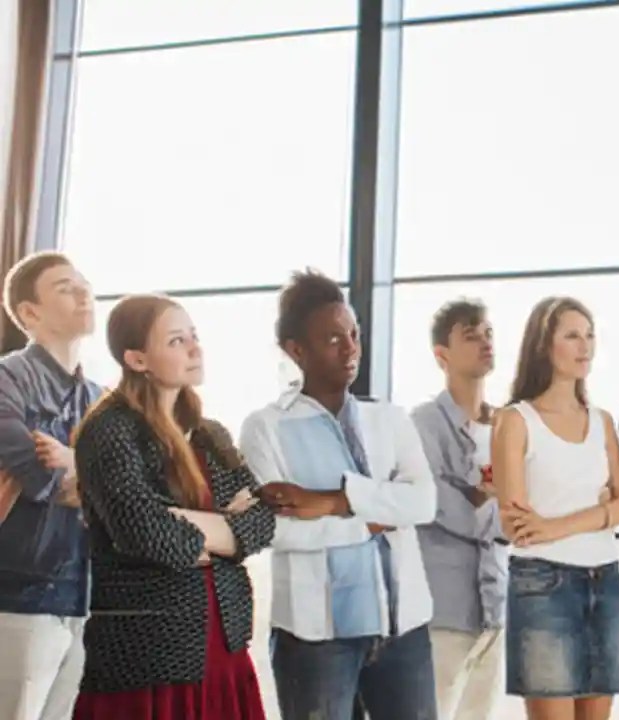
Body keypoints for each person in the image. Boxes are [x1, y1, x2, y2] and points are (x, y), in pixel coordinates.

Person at [238, 269, 439, 720]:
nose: (350, 349)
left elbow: (424, 503)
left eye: (354, 334)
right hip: (316, 639)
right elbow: (276, 531)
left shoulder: (390, 419)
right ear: (296, 350)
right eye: (332, 339)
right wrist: (373, 519)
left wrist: (333, 501)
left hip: (402, 630)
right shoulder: (265, 427)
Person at [70, 294, 275, 718]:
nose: (195, 349)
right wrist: (223, 527)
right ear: (137, 358)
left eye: (194, 337)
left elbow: (261, 521)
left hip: (224, 646)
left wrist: (187, 524)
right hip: (149, 659)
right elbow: (146, 534)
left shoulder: (208, 433)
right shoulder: (110, 430)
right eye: (177, 341)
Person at [492, 296, 619, 720]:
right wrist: (598, 513)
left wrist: (556, 524)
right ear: (543, 344)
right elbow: (518, 526)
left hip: (605, 580)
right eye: (572, 335)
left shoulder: (603, 420)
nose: (584, 346)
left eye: (589, 335)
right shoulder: (515, 420)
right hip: (542, 586)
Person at [0, 252, 102, 720]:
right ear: (29, 314)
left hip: (83, 597)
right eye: (65, 286)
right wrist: (103, 483)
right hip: (18, 597)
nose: (84, 291)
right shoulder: (7, 380)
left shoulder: (101, 398)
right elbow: (36, 472)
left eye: (83, 282)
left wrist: (75, 465)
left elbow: (142, 489)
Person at [411, 298, 506, 720]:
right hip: (443, 611)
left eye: (488, 333)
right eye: (471, 336)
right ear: (441, 356)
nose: (485, 342)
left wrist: (484, 495)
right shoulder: (423, 424)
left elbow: (519, 518)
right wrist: (496, 497)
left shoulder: (507, 425)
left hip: (495, 608)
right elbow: (443, 509)